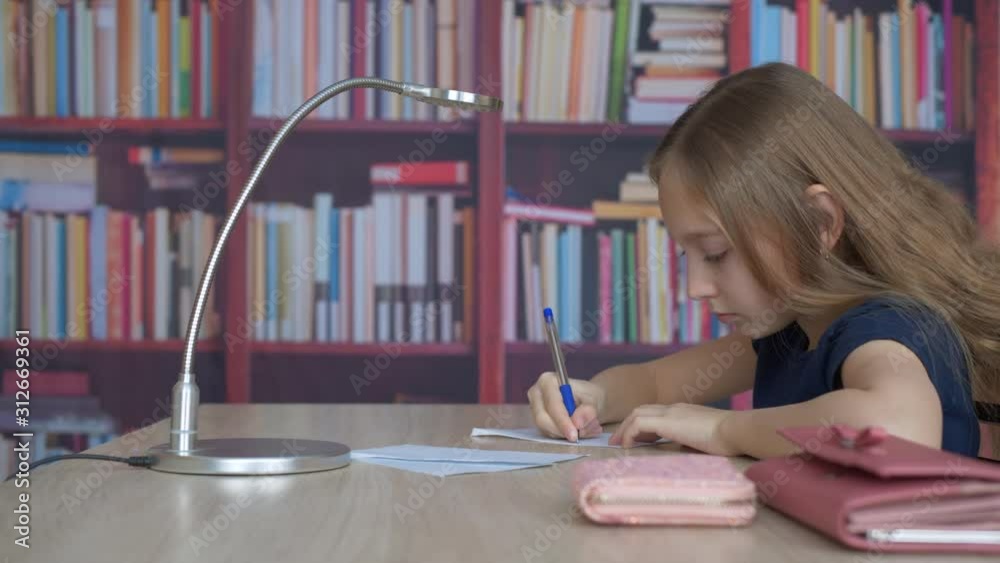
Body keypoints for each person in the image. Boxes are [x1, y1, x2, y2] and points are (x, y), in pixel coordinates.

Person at [527, 62, 1000, 459]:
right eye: (686, 255)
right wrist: (597, 396)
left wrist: (724, 430)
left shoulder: (885, 327)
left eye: (715, 253)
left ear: (819, 222)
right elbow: (655, 382)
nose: (695, 287)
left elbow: (897, 427)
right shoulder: (792, 327)